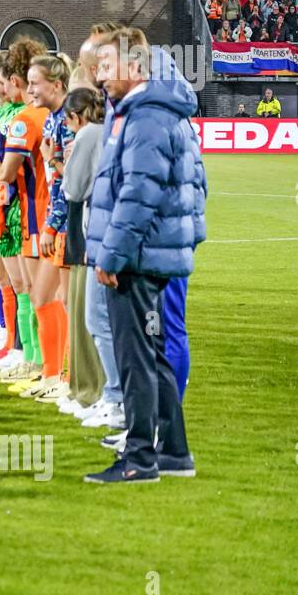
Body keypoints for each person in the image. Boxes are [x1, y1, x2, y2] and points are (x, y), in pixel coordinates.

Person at [85, 27, 203, 483]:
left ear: (136, 68)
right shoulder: (149, 110)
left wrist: (112, 256)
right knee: (152, 354)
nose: (100, 77)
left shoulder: (146, 117)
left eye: (108, 67)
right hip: (151, 251)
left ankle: (139, 458)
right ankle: (173, 452)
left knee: (135, 356)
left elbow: (137, 195)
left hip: (137, 256)